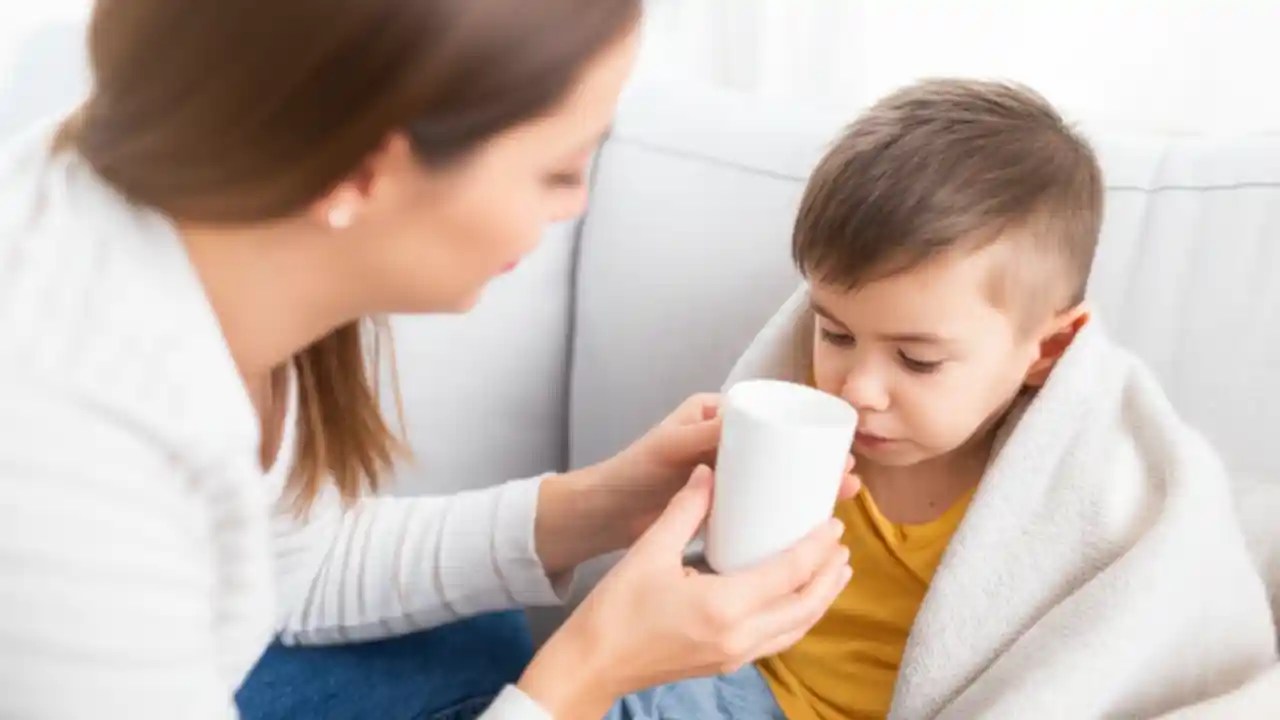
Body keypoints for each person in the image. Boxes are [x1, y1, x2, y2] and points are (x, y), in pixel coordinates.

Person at [0, 1, 859, 718]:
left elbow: (291, 571)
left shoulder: (228, 239)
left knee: (468, 632)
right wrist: (592, 670)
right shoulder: (66, 454)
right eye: (559, 170)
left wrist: (602, 505)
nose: (577, 205)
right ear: (360, 170)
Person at [605, 79, 1279, 719]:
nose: (858, 389)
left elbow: (1174, 625)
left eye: (917, 361)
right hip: (737, 688)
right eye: (835, 333)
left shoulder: (1098, 488)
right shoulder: (796, 422)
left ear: (1047, 350)